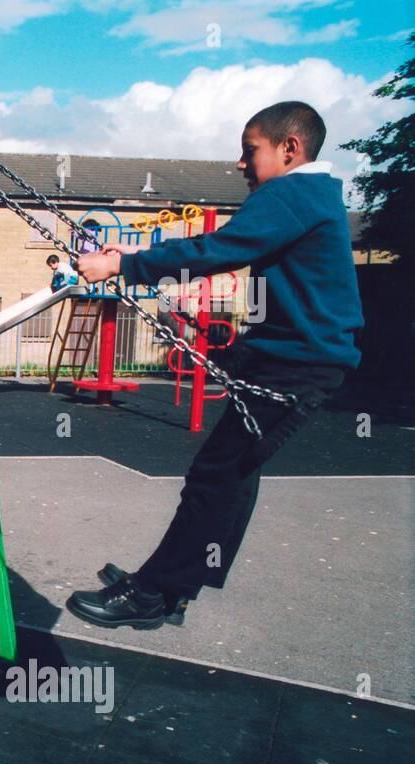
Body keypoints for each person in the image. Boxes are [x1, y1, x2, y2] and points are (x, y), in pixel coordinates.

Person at [66, 101, 363, 630]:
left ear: (289, 149)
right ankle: (176, 584)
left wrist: (122, 265)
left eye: (251, 150)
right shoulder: (308, 197)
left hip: (298, 366)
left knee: (216, 474)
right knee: (232, 472)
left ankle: (154, 593)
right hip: (289, 360)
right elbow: (220, 245)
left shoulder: (292, 193)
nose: (240, 163)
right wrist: (130, 251)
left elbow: (220, 249)